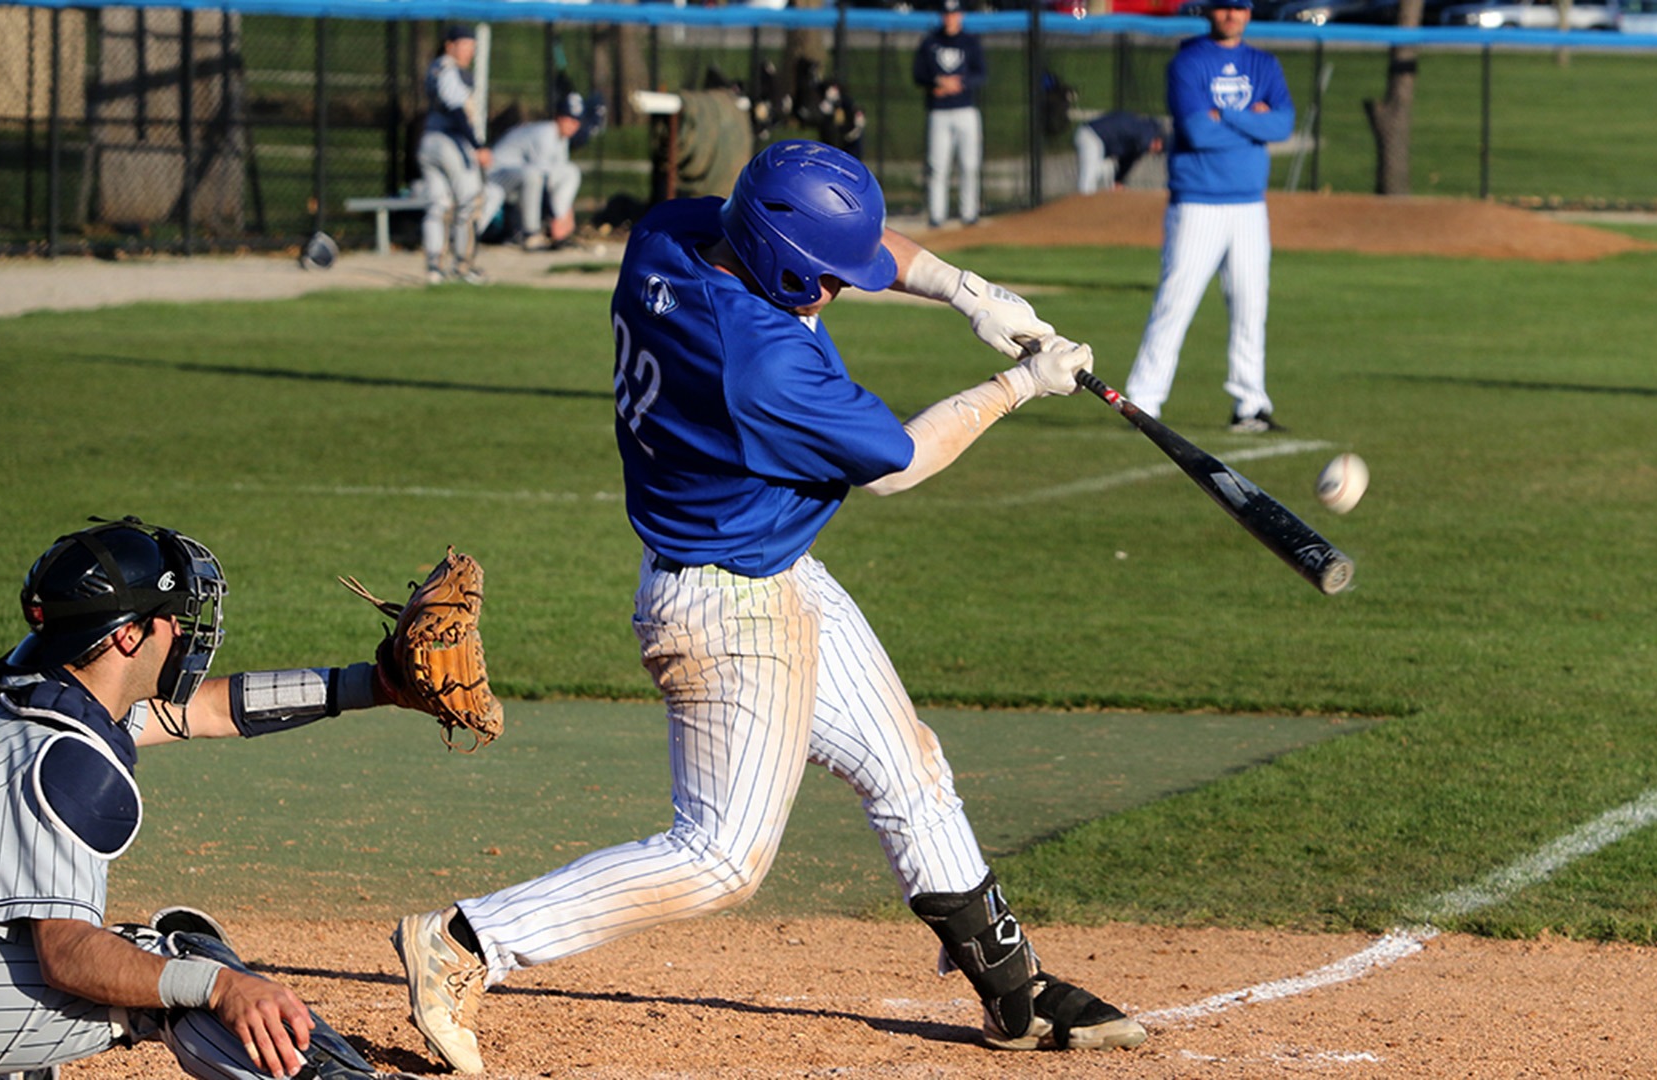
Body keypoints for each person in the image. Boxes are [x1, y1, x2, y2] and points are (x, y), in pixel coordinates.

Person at [389, 140, 1148, 1075]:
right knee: (719, 857)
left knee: (908, 769)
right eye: (833, 277)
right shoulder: (765, 366)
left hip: (773, 573)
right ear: (786, 267)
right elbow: (903, 463)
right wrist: (1018, 385)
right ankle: (466, 943)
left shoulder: (672, 236)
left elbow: (854, 244)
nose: (847, 287)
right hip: (722, 612)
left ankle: (1013, 993)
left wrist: (966, 289)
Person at [0, 517, 412, 1080]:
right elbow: (68, 956)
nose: (183, 632)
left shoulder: (11, 689)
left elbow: (207, 710)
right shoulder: (62, 757)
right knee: (166, 969)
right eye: (172, 618)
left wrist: (374, 684)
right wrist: (219, 985)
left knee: (29, 1050)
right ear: (128, 634)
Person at [1124, 0, 1294, 431]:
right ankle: (1144, 403)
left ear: (1249, 13)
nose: (1232, 14)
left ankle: (1250, 404)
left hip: (1249, 205)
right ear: (1209, 12)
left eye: (1240, 7)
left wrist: (1228, 116)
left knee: (1251, 305)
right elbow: (1198, 131)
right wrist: (1252, 118)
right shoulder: (1188, 62)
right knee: (1175, 303)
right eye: (1223, 6)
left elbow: (1282, 124)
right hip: (1197, 201)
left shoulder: (1263, 63)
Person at [417, 25, 492, 285]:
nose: (470, 50)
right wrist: (478, 144)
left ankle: (433, 268)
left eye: (472, 45)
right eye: (465, 44)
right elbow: (457, 109)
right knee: (469, 202)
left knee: (437, 205)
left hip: (429, 141)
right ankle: (463, 265)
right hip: (449, 143)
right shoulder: (448, 69)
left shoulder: (437, 68)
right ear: (450, 45)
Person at [482, 90, 588, 252]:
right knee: (534, 175)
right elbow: (543, 181)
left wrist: (566, 215)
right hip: (496, 174)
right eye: (568, 118)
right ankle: (531, 234)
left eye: (576, 121)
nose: (572, 124)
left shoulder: (562, 140)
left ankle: (559, 230)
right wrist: (554, 219)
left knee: (571, 172)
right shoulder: (545, 134)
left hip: (517, 176)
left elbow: (556, 181)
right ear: (558, 117)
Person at [912, 0, 986, 229]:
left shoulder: (970, 42)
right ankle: (937, 216)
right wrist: (937, 81)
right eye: (946, 14)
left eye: (954, 14)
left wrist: (959, 83)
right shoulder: (930, 42)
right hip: (939, 111)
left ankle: (969, 214)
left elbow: (981, 73)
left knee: (970, 164)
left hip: (965, 109)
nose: (950, 18)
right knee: (937, 166)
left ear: (960, 16)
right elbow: (918, 74)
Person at [1075, 111, 1166, 195]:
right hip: (1091, 135)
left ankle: (1092, 206)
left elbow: (1128, 161)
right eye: (1157, 149)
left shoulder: (1139, 143)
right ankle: (1081, 206)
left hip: (1098, 140)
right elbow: (1144, 141)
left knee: (1100, 172)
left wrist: (1118, 180)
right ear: (1158, 140)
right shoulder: (1146, 131)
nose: (1152, 152)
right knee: (1088, 179)